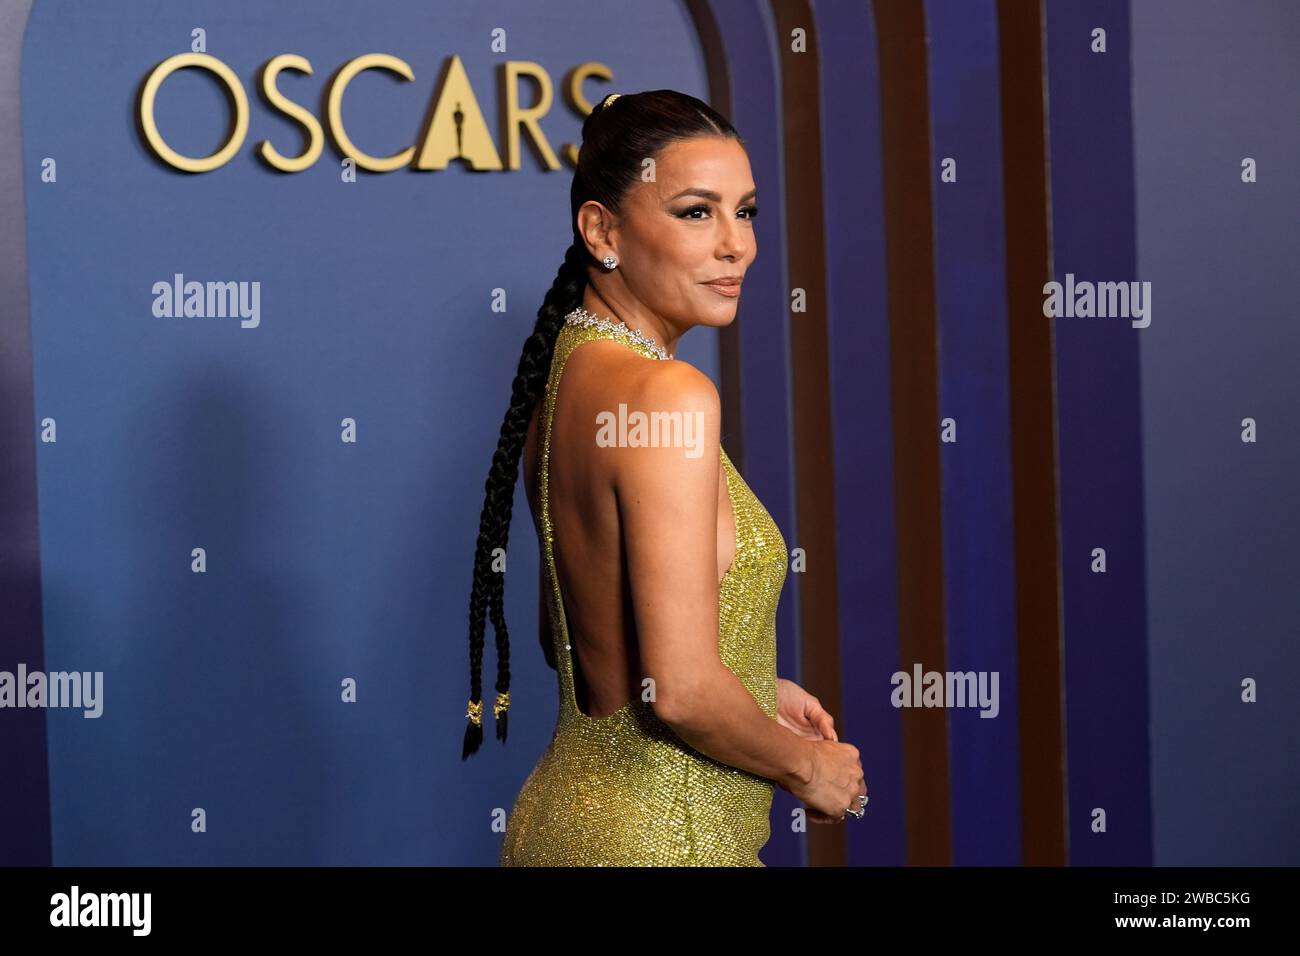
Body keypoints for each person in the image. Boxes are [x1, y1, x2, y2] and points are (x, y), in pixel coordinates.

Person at [464, 89, 867, 865]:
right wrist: (815, 769)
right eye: (695, 212)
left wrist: (746, 677)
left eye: (744, 212)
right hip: (662, 843)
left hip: (562, 827)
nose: (736, 247)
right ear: (601, 230)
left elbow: (571, 639)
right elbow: (678, 689)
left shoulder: (561, 386)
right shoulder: (669, 394)